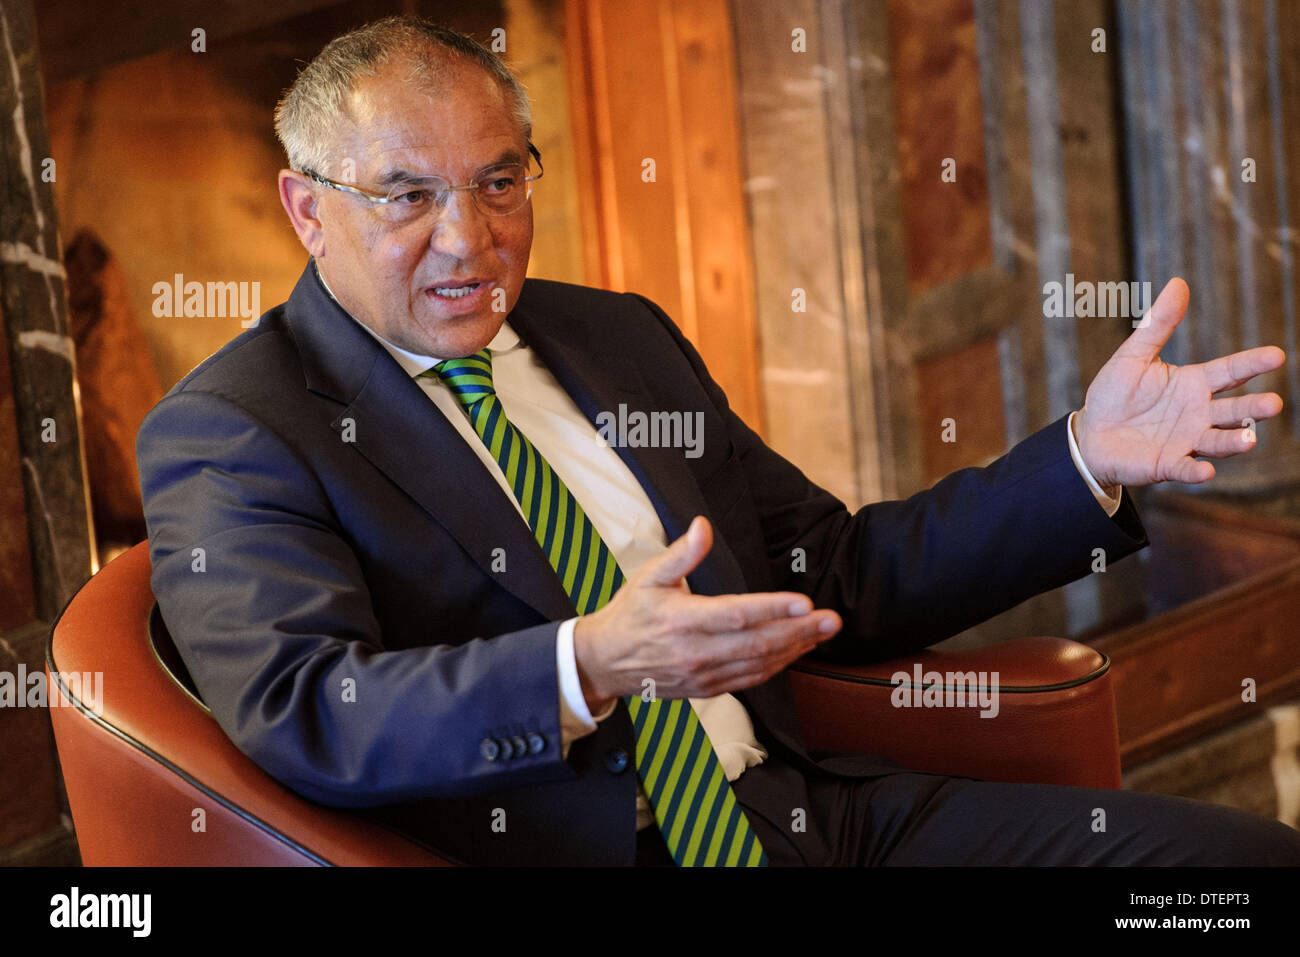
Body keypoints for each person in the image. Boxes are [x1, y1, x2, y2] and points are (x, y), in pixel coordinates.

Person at [136, 15, 1300, 866]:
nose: (468, 239)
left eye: (500, 182)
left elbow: (831, 576)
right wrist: (591, 664)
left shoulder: (612, 337)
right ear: (307, 207)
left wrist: (1084, 460)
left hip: (812, 818)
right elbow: (309, 708)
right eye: (406, 196)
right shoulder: (234, 431)